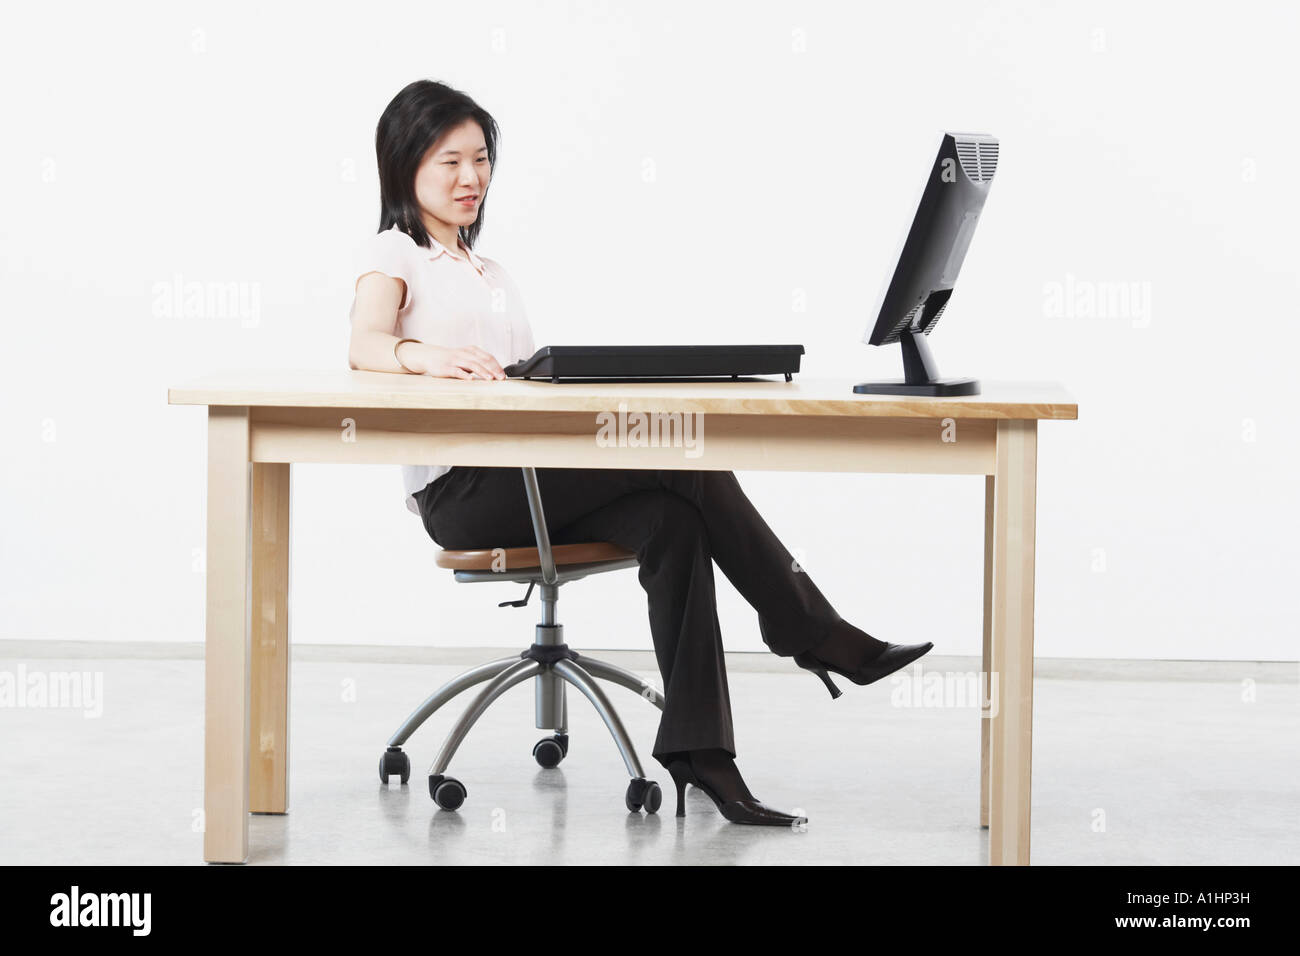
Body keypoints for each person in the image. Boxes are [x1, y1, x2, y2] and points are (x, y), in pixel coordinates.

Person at [347, 79, 934, 826]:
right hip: (465, 494)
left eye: (481, 160)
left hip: (531, 474)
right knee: (682, 457)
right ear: (405, 170)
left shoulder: (493, 274)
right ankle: (809, 629)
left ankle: (704, 758)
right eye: (448, 162)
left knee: (672, 518)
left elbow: (529, 393)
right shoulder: (394, 254)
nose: (471, 178)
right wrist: (421, 355)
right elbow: (363, 342)